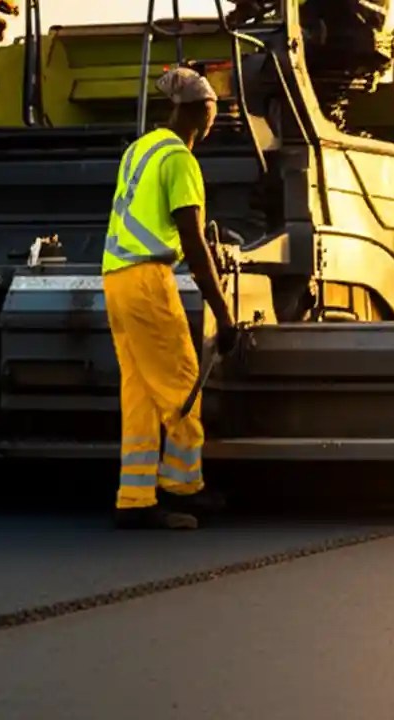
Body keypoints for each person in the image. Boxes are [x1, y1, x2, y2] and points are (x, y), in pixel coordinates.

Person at [103, 67, 237, 530]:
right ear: (202, 110)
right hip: (147, 282)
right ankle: (184, 487)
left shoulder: (139, 149)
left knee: (139, 392)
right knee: (182, 385)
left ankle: (135, 498)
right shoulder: (180, 159)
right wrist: (224, 313)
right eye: (214, 108)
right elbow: (194, 241)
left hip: (116, 279)